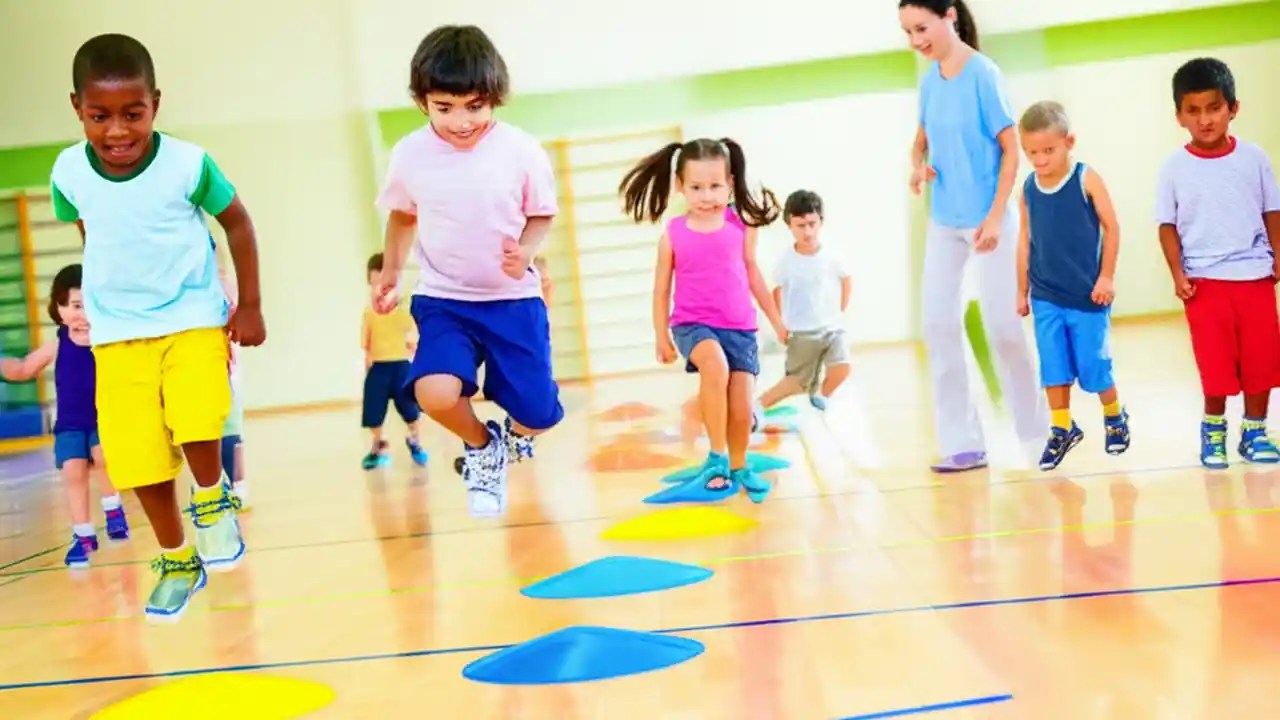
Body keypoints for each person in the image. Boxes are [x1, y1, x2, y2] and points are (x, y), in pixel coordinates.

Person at [49, 33, 266, 623]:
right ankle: (176, 559)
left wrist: (248, 305)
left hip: (192, 315)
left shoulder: (188, 163)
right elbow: (92, 233)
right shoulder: (68, 171)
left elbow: (239, 224)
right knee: (135, 456)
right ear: (77, 109)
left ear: (155, 104)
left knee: (199, 413)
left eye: (132, 114)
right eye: (100, 116)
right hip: (118, 334)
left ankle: (212, 499)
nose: (117, 131)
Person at [372, 25, 561, 519]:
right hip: (444, 300)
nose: (460, 121)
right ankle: (482, 447)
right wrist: (391, 270)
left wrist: (525, 250)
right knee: (433, 391)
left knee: (539, 413)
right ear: (422, 101)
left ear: (495, 98)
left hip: (513, 301)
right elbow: (402, 215)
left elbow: (541, 213)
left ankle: (512, 438)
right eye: (445, 107)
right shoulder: (410, 154)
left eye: (474, 106)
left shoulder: (520, 150)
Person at [900, 0, 1047, 473]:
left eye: (921, 28)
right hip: (944, 220)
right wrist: (917, 166)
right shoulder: (929, 82)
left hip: (989, 221)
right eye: (907, 32)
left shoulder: (984, 74)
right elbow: (921, 139)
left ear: (949, 17)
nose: (916, 40)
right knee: (938, 326)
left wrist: (993, 216)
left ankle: (1038, 434)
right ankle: (962, 442)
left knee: (1004, 328)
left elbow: (1010, 151)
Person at [621, 137, 787, 502]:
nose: (706, 195)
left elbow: (753, 274)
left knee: (742, 408)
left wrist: (776, 321)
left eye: (715, 186)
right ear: (681, 186)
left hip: (740, 327)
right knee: (715, 368)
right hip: (692, 325)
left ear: (730, 182)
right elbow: (661, 290)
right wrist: (661, 337)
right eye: (696, 187)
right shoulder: (673, 235)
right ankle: (716, 457)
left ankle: (739, 466)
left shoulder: (741, 225)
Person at [1155, 57, 1280, 469]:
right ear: (1179, 116)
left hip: (1254, 276)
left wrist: (1278, 257)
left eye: (1213, 108)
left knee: (1262, 360)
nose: (1205, 119)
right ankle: (1213, 432)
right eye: (1193, 110)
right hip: (1204, 282)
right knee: (1216, 364)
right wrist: (1178, 274)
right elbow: (1167, 226)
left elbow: (1272, 211)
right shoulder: (1174, 168)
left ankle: (1256, 430)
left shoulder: (1254, 157)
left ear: (1233, 108)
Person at [1014, 101, 1131, 471]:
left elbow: (1112, 227)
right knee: (1053, 366)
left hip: (1087, 295)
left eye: (1048, 150)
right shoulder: (1029, 187)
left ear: (1069, 142)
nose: (1040, 159)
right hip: (1046, 293)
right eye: (1032, 152)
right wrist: (1021, 290)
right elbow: (1024, 239)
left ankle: (1114, 415)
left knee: (1093, 369)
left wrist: (1106, 276)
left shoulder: (1085, 178)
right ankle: (1062, 428)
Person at [0, 264, 130, 567]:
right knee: (73, 473)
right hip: (70, 424)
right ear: (58, 309)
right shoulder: (57, 344)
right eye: (73, 306)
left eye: (87, 306)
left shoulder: (106, 340)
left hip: (104, 419)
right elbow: (23, 369)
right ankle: (83, 535)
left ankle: (113, 510)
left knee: (104, 460)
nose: (81, 314)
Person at [755, 189, 852, 414]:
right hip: (802, 331)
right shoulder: (785, 261)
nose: (807, 231)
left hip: (832, 328)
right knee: (797, 381)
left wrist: (842, 309)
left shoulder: (832, 254)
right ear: (789, 225)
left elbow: (846, 279)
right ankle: (757, 406)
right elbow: (776, 292)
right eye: (800, 225)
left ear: (820, 222)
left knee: (843, 367)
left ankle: (821, 394)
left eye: (812, 224)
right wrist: (780, 326)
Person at [362, 252, 429, 470]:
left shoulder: (404, 312)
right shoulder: (369, 314)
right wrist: (367, 364)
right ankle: (377, 447)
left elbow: (413, 337)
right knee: (373, 410)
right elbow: (366, 343)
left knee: (411, 409)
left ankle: (415, 441)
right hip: (379, 368)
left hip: (401, 366)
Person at [218, 262, 250, 509]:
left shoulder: (223, 295)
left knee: (232, 432)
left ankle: (238, 484)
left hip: (224, 372)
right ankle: (215, 487)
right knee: (206, 436)